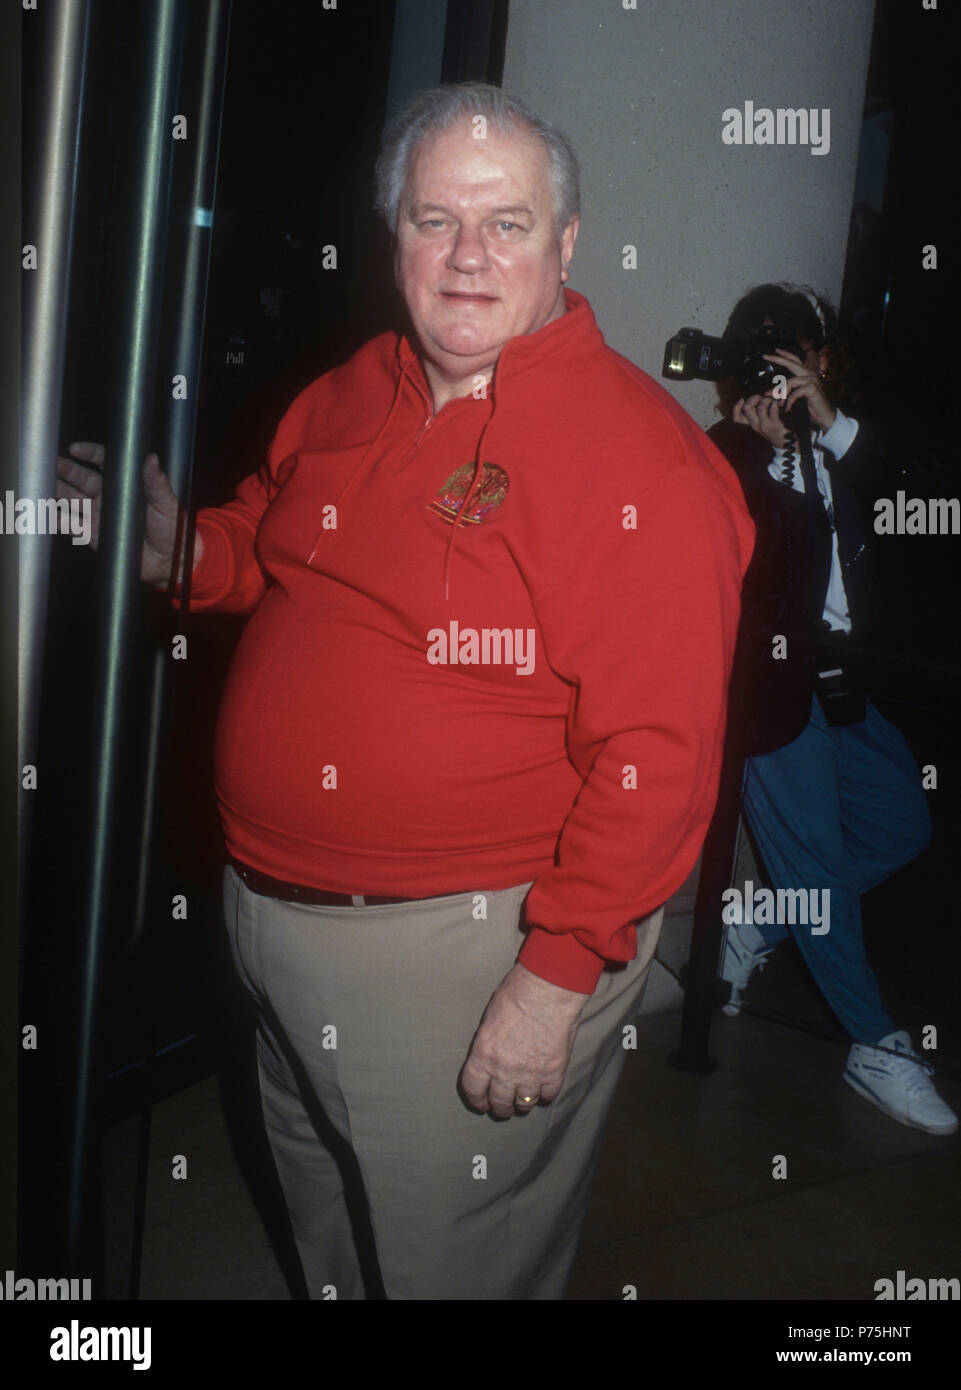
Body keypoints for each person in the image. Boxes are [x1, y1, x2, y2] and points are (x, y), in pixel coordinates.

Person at [56, 83, 754, 1299]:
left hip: (464, 949)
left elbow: (660, 751)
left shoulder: (640, 460)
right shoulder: (353, 385)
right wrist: (187, 555)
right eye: (435, 220)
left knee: (453, 1274)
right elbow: (269, 541)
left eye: (507, 222)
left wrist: (549, 983)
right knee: (330, 1240)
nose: (468, 255)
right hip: (272, 926)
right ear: (394, 241)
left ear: (568, 240)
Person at [708, 282, 956, 1137]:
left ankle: (758, 921)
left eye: (793, 355)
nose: (778, 374)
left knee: (899, 825)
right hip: (770, 691)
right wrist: (757, 452)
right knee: (814, 869)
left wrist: (833, 423)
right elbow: (748, 570)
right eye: (760, 356)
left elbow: (929, 498)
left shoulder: (856, 446)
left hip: (844, 680)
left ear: (818, 360)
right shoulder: (724, 454)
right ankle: (873, 1042)